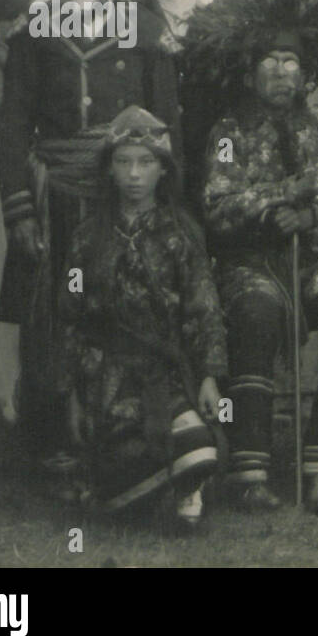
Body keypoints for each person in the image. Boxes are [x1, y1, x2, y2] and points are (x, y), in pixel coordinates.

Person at [0, 0, 176, 478]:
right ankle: (49, 443)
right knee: (53, 314)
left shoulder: (144, 25)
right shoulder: (37, 26)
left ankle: (120, 434)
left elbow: (165, 122)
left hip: (121, 188)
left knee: (117, 301)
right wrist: (19, 206)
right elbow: (14, 121)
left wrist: (161, 199)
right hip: (58, 190)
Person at [188, 0, 318, 516]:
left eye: (290, 60)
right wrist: (279, 201)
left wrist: (315, 222)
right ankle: (250, 471)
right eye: (268, 60)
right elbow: (217, 210)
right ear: (249, 71)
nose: (280, 70)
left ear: (306, 71)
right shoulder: (227, 135)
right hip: (252, 263)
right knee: (254, 314)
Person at [57, 106, 224, 532]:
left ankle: (182, 486)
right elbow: (70, 318)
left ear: (163, 171)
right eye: (123, 161)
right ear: (109, 169)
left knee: (199, 447)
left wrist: (208, 377)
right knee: (116, 483)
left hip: (166, 371)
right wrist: (73, 392)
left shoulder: (181, 234)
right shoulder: (85, 240)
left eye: (146, 162)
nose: (134, 174)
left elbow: (203, 307)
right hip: (106, 377)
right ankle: (142, 489)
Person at [128, 0, 237, 199]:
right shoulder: (131, 21)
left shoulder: (223, 24)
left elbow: (232, 113)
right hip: (145, 181)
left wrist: (225, 167)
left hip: (208, 178)